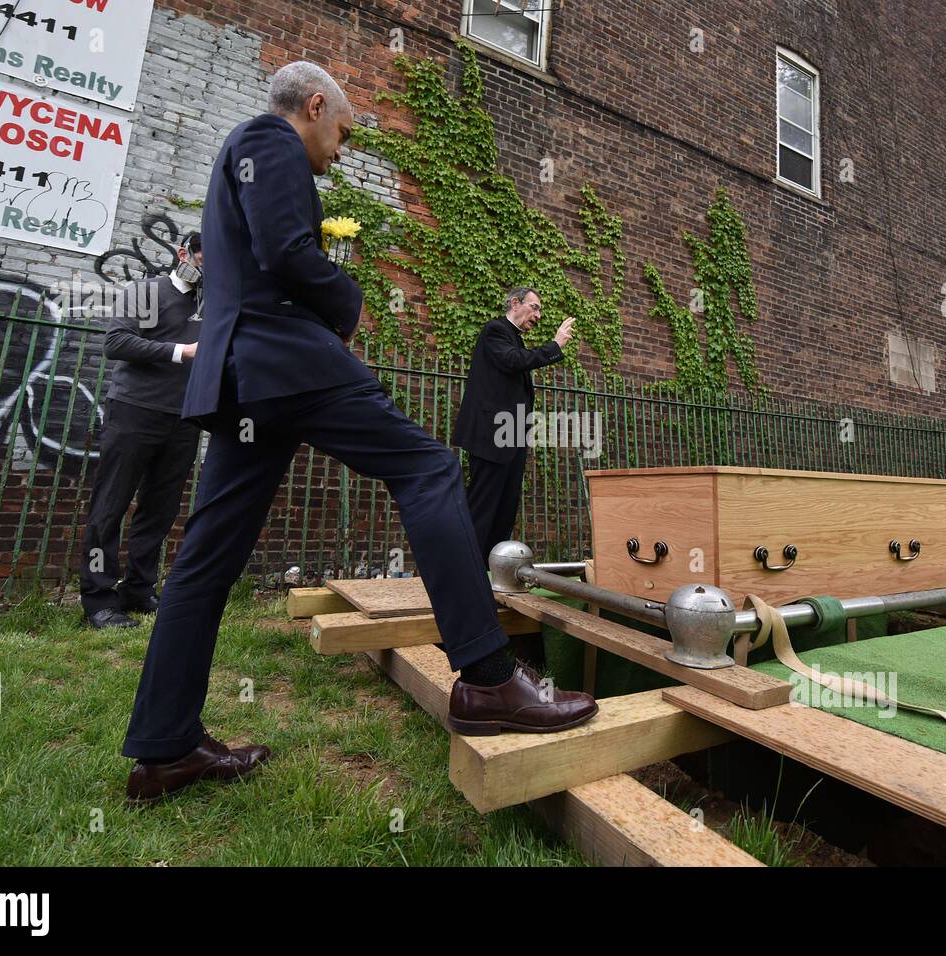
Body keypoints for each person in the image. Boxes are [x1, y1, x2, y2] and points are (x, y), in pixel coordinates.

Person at [121, 62, 597, 804]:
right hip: (286, 363)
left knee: (204, 563)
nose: (340, 149)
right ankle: (488, 679)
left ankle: (164, 748)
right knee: (430, 469)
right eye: (340, 132)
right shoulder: (268, 139)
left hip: (246, 378)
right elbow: (286, 251)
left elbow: (261, 261)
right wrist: (350, 301)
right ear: (313, 107)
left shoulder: (239, 157)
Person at [78, 234, 204, 629]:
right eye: (207, 258)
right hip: (133, 410)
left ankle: (139, 589)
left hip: (185, 417)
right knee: (110, 504)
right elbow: (115, 343)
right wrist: (181, 351)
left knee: (160, 509)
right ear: (185, 254)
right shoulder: (149, 291)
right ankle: (99, 600)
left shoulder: (213, 303)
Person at [453, 287, 573, 561]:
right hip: (491, 435)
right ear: (515, 303)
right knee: (483, 506)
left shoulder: (514, 339)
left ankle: (490, 568)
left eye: (540, 310)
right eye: (535, 307)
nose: (538, 315)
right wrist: (555, 346)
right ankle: (464, 567)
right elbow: (513, 361)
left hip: (511, 437)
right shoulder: (495, 330)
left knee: (505, 507)